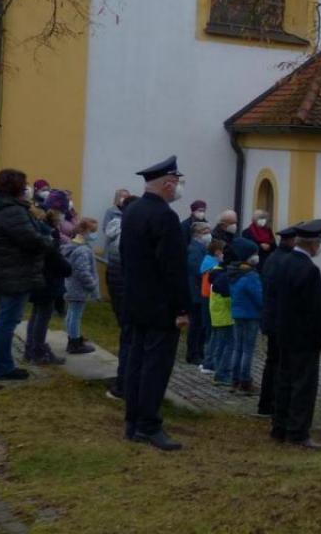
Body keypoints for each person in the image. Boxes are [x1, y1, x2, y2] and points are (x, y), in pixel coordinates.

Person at [120, 155, 190, 451]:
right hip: (161, 306)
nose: (178, 189)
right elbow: (173, 267)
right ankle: (149, 425)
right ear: (168, 183)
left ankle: (133, 422)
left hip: (136, 301)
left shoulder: (133, 210)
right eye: (177, 183)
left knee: (136, 363)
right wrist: (182, 309)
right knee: (155, 367)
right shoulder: (165, 217)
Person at [0, 169, 51, 381]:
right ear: (16, 187)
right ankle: (1, 368)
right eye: (25, 183)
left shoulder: (0, 206)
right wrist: (48, 242)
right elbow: (30, 239)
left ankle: (1, 364)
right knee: (7, 321)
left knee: (5, 318)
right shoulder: (12, 211)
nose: (27, 187)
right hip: (13, 273)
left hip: (5, 271)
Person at [272, 219, 321, 449]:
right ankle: (298, 433)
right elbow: (315, 309)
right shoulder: (309, 270)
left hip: (285, 332)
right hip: (304, 337)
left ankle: (280, 427)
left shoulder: (284, 262)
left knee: (284, 381)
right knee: (303, 385)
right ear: (313, 244)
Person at [256, 226, 298, 418]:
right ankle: (274, 404)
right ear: (291, 241)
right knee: (279, 364)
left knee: (272, 362)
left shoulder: (273, 257)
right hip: (279, 320)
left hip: (270, 318)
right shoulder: (286, 261)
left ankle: (266, 403)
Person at [26, 208, 70, 365]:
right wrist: (67, 268)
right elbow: (56, 259)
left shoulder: (36, 232)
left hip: (38, 279)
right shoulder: (50, 237)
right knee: (42, 317)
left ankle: (30, 348)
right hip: (48, 281)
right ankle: (38, 352)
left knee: (35, 314)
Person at [104, 194, 137, 399]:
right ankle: (124, 384)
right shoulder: (131, 235)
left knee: (127, 337)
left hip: (118, 293)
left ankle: (123, 382)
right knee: (130, 341)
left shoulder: (118, 234)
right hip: (128, 295)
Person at [226, 238, 264, 396]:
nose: (257, 256)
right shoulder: (251, 276)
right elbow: (259, 298)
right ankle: (245, 381)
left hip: (237, 313)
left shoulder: (234, 272)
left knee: (237, 348)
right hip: (251, 315)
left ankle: (234, 380)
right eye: (255, 253)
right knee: (247, 350)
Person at [62, 218, 101, 354]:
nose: (95, 234)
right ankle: (74, 342)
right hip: (79, 288)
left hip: (71, 286)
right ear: (84, 231)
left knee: (71, 313)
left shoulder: (73, 245)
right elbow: (82, 271)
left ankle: (73, 336)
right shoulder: (83, 250)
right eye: (93, 231)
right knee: (76, 315)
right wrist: (92, 285)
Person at [208, 248, 237, 388]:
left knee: (220, 344)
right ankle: (222, 374)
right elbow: (228, 298)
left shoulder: (216, 272)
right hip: (225, 315)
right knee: (228, 345)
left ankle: (217, 369)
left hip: (217, 314)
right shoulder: (224, 278)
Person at [185, 221, 212, 365]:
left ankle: (198, 351)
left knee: (199, 324)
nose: (209, 235)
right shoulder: (195, 250)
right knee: (196, 324)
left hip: (198, 291)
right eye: (206, 231)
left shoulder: (201, 248)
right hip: (196, 292)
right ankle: (193, 353)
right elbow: (198, 270)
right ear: (198, 234)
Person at [198, 238, 226, 376]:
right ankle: (209, 362)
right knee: (213, 334)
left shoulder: (208, 262)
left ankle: (207, 361)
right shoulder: (213, 267)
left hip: (209, 300)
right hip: (212, 301)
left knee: (212, 334)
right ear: (217, 252)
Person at [99, 188, 130, 257]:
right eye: (123, 197)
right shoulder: (110, 211)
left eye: (127, 197)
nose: (124, 199)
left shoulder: (131, 211)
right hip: (112, 248)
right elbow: (106, 229)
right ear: (117, 198)